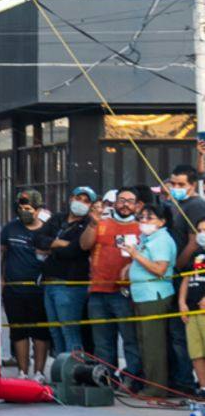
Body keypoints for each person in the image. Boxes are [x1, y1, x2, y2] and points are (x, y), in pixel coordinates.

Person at [121, 199, 179, 394]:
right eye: (142, 217)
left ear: (162, 221)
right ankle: (149, 383)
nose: (144, 221)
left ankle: (156, 387)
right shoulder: (147, 239)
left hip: (154, 295)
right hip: (141, 294)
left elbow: (160, 269)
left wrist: (135, 256)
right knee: (144, 341)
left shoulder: (162, 239)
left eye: (149, 218)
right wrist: (130, 266)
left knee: (153, 343)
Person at [82, 188, 141, 372]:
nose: (125, 204)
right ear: (114, 202)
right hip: (98, 292)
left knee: (130, 341)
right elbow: (84, 245)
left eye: (130, 201)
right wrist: (92, 224)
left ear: (137, 205)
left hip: (125, 293)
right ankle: (106, 379)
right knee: (102, 343)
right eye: (121, 200)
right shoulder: (101, 224)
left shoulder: (141, 227)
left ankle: (132, 379)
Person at [157, 165, 205, 394]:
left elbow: (194, 241)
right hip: (178, 277)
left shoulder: (195, 205)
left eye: (180, 185)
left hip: (186, 274)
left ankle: (185, 382)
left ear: (192, 185)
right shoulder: (175, 204)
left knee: (180, 334)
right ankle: (180, 379)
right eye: (173, 183)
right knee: (175, 332)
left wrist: (177, 266)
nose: (175, 188)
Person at [40, 186, 96, 366]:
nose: (81, 203)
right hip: (50, 283)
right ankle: (61, 372)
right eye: (79, 198)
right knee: (55, 331)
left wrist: (52, 247)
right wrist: (57, 243)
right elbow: (38, 240)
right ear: (71, 198)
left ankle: (75, 372)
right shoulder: (57, 218)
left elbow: (76, 250)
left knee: (69, 331)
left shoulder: (88, 224)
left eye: (87, 201)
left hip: (71, 285)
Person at [0, 190, 51, 381]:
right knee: (18, 331)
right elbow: (1, 252)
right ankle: (22, 371)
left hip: (39, 290)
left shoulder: (47, 229)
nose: (24, 212)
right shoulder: (10, 229)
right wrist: (1, 279)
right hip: (14, 290)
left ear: (38, 210)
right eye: (21, 208)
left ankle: (39, 372)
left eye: (28, 208)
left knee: (40, 333)